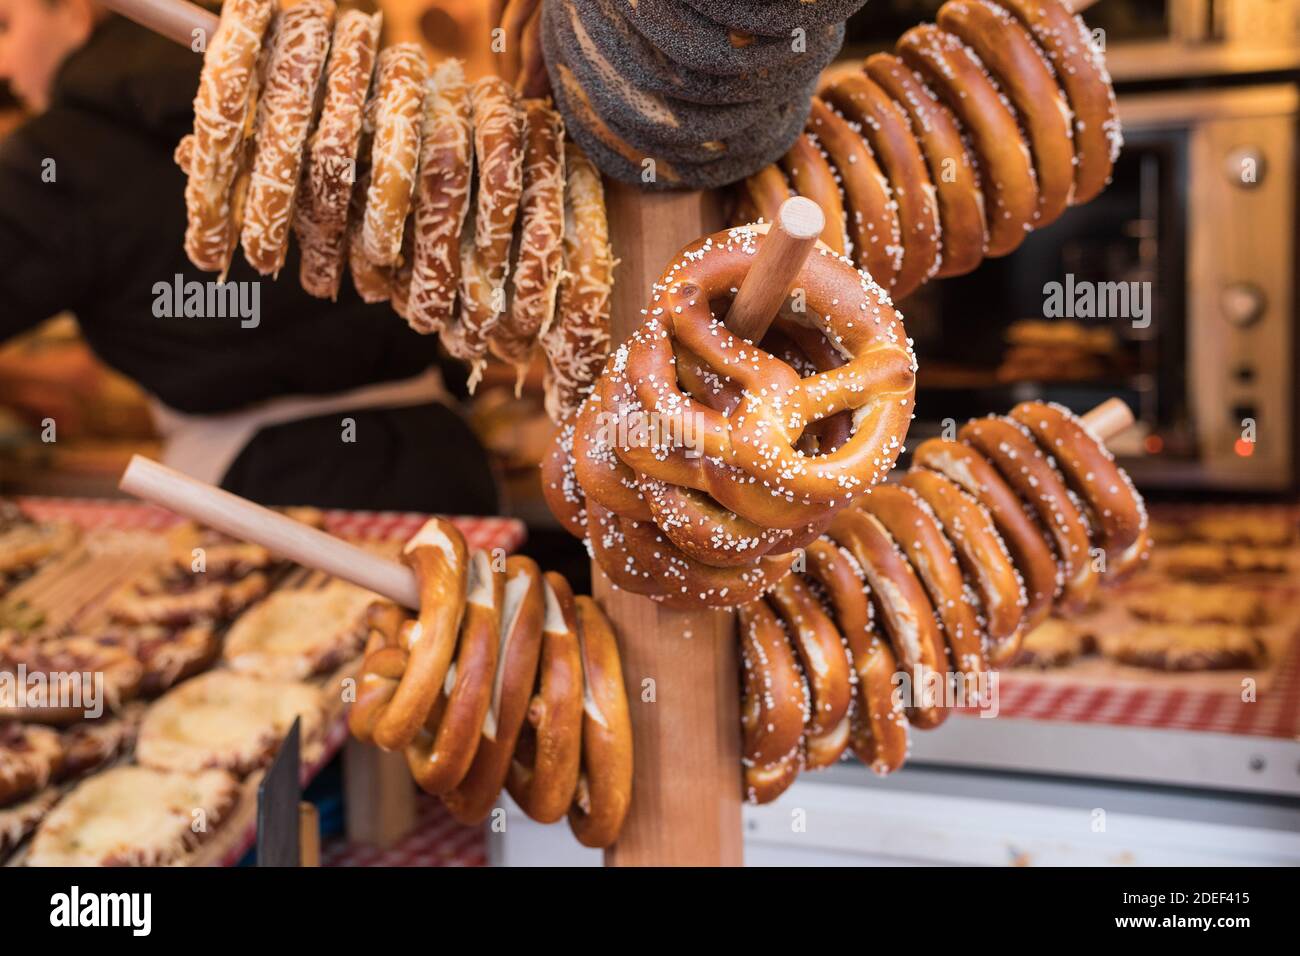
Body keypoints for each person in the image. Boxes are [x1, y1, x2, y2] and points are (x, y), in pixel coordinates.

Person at [0, 0, 499, 515]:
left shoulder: (54, 154)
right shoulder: (295, 80)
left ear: (78, 12)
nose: (2, 65)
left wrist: (18, 381)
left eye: (5, 26)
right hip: (442, 459)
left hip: (264, 498)